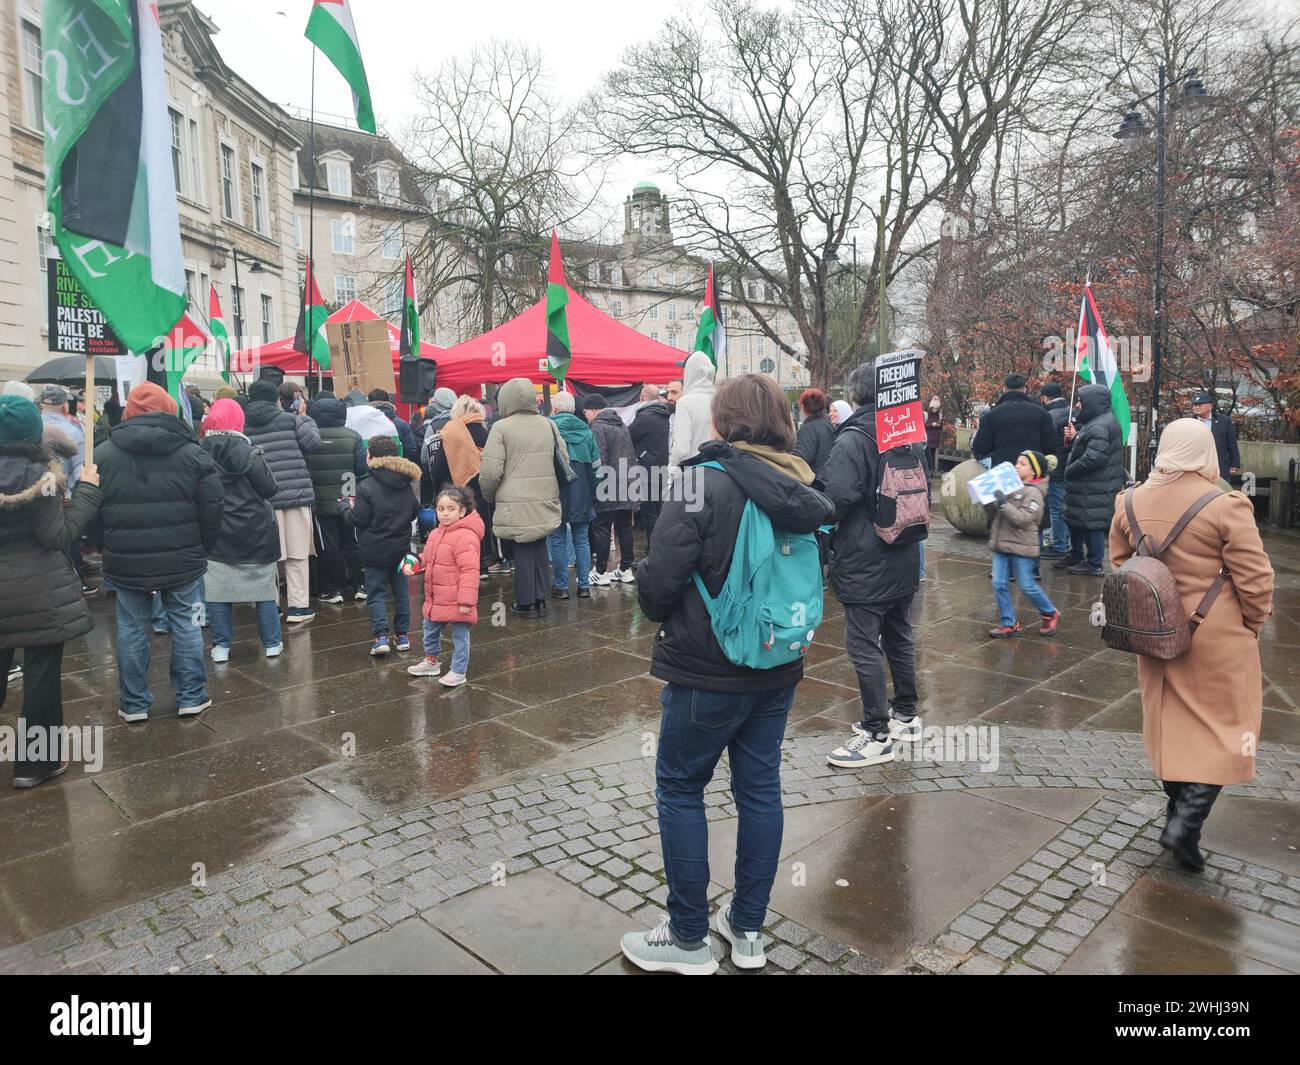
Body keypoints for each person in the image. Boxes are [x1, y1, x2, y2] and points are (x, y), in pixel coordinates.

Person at [622, 374, 834, 975]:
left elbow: (659, 585)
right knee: (760, 791)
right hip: (778, 660)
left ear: (724, 420)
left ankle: (688, 939)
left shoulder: (698, 482)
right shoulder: (798, 482)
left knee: (681, 788)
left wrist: (644, 578)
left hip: (705, 669)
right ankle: (746, 931)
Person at [1110, 419, 1274, 871]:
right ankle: (1185, 822)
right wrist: (1253, 623)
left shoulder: (1130, 500)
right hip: (1216, 637)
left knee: (1168, 727)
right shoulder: (1225, 506)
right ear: (1205, 452)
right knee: (1227, 730)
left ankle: (1176, 808)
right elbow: (1256, 580)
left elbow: (1122, 565)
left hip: (1157, 634)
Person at [93, 383, 223, 722]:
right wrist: (202, 546)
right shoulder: (193, 452)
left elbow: (89, 510)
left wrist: (106, 544)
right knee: (185, 624)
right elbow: (212, 506)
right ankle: (191, 695)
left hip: (125, 557)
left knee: (131, 628)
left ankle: (134, 703)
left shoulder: (102, 455)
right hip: (182, 557)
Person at [823, 363, 924, 770]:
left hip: (865, 557)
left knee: (864, 645)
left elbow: (836, 498)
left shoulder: (854, 438)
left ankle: (876, 733)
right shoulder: (908, 436)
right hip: (903, 552)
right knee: (899, 635)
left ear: (858, 395)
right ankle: (906, 715)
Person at [0, 396, 102, 787]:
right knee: (40, 675)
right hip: (38, 593)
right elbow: (57, 535)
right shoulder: (41, 479)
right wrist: (88, 493)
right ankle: (35, 763)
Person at [199, 399, 283, 661]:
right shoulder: (249, 452)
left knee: (217, 591)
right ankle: (271, 643)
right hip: (255, 530)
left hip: (217, 530)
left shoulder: (199, 453)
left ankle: (221, 646)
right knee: (264, 589)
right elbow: (269, 488)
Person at [479, 378, 564, 618]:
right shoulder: (548, 424)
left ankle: (526, 602)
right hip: (545, 494)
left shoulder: (501, 427)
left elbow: (491, 471)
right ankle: (541, 599)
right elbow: (563, 459)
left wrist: (489, 494)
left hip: (513, 498)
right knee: (538, 545)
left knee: (522, 548)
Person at [243, 379, 321, 621]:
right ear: (275, 399)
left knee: (269, 556)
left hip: (262, 499)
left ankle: (271, 606)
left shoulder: (244, 424)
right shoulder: (290, 419)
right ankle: (298, 607)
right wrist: (305, 417)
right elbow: (314, 444)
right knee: (297, 554)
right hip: (296, 495)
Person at [340, 436, 421, 655]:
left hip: (374, 550)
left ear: (371, 457)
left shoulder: (367, 486)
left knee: (376, 593)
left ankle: (382, 637)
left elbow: (358, 518)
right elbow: (415, 510)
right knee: (401, 591)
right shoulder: (406, 483)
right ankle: (403, 636)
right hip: (401, 549)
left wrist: (344, 510)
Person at [408, 485, 484, 686]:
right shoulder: (435, 533)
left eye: (451, 509)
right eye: (441, 509)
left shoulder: (466, 536)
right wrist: (416, 563)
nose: (445, 513)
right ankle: (431, 661)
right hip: (437, 597)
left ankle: (459, 671)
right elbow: (429, 557)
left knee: (460, 636)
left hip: (458, 599)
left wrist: (466, 602)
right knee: (430, 629)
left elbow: (470, 571)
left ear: (462, 511)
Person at [987, 450, 1062, 637]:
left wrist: (1004, 504)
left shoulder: (1034, 493)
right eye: (1017, 462)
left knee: (1027, 585)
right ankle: (1008, 623)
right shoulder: (1010, 486)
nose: (1016, 466)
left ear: (1034, 471)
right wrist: (989, 499)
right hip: (1001, 544)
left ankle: (1050, 612)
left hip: (1022, 547)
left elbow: (1023, 519)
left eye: (1022, 464)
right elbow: (994, 513)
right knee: (998, 583)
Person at [1055, 383, 1125, 576]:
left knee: (1091, 523)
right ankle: (1076, 554)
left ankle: (1094, 563)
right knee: (1075, 519)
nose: (1077, 404)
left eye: (1081, 401)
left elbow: (1095, 457)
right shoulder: (1097, 422)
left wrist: (1071, 470)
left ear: (1091, 402)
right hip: (1087, 485)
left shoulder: (1100, 425)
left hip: (1093, 485)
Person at [307, 392, 367, 605]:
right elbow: (361, 469)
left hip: (320, 501)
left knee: (329, 546)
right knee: (353, 542)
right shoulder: (354, 436)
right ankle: (361, 584)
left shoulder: (309, 438)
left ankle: (334, 590)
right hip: (349, 497)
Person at [583, 394, 639, 586]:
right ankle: (625, 568)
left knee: (603, 528)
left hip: (608, 484)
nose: (586, 416)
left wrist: (596, 486)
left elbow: (599, 458)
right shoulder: (621, 424)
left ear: (594, 410)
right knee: (625, 527)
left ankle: (600, 571)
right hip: (628, 481)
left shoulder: (597, 426)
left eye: (586, 412)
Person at [548, 391, 598, 599]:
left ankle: (561, 587)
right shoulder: (587, 432)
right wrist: (593, 492)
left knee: (557, 539)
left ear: (556, 409)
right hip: (583, 490)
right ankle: (584, 586)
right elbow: (598, 469)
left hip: (555, 490)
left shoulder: (547, 429)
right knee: (582, 539)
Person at [970, 373, 1058, 469]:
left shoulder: (991, 415)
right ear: (1024, 390)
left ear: (1004, 388)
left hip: (1002, 471)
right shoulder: (1042, 414)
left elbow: (980, 448)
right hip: (1031, 471)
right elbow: (1051, 446)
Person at [629, 384, 672, 548]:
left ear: (643, 397)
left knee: (649, 513)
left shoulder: (645, 416)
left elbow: (629, 434)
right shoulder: (663, 414)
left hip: (648, 470)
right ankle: (659, 548)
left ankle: (653, 550)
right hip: (662, 466)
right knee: (659, 510)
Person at [669, 351, 717, 475]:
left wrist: (672, 467)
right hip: (716, 468)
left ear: (691, 372)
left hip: (691, 470)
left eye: (685, 370)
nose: (683, 374)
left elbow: (681, 449)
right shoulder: (719, 399)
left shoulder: (685, 402)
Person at [1039, 383, 1072, 559]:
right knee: (1065, 507)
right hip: (1071, 466)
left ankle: (1059, 545)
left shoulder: (1048, 416)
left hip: (1056, 468)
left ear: (1045, 397)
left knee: (1056, 508)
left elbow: (1046, 443)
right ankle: (1065, 542)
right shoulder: (1073, 412)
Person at [1191, 392, 1240, 481]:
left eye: (1199, 405)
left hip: (1219, 464)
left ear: (1210, 406)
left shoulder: (1224, 421)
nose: (1196, 407)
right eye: (1194, 405)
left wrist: (1235, 463)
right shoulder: (1189, 422)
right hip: (1196, 465)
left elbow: (1231, 442)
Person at [793, 388, 835, 480]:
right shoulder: (829, 424)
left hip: (815, 483)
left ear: (803, 407)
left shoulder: (807, 429)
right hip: (830, 478)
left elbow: (800, 460)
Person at [368, 388, 417, 459]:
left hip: (372, 467)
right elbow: (410, 450)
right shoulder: (401, 424)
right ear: (388, 401)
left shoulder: (363, 424)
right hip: (398, 466)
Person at [924, 395, 943, 475]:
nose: (935, 410)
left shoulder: (939, 415)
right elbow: (923, 426)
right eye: (934, 408)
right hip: (928, 438)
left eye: (936, 409)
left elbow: (941, 426)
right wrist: (932, 424)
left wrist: (938, 425)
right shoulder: (926, 414)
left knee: (933, 455)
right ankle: (927, 470)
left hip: (935, 439)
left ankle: (931, 471)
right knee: (927, 455)